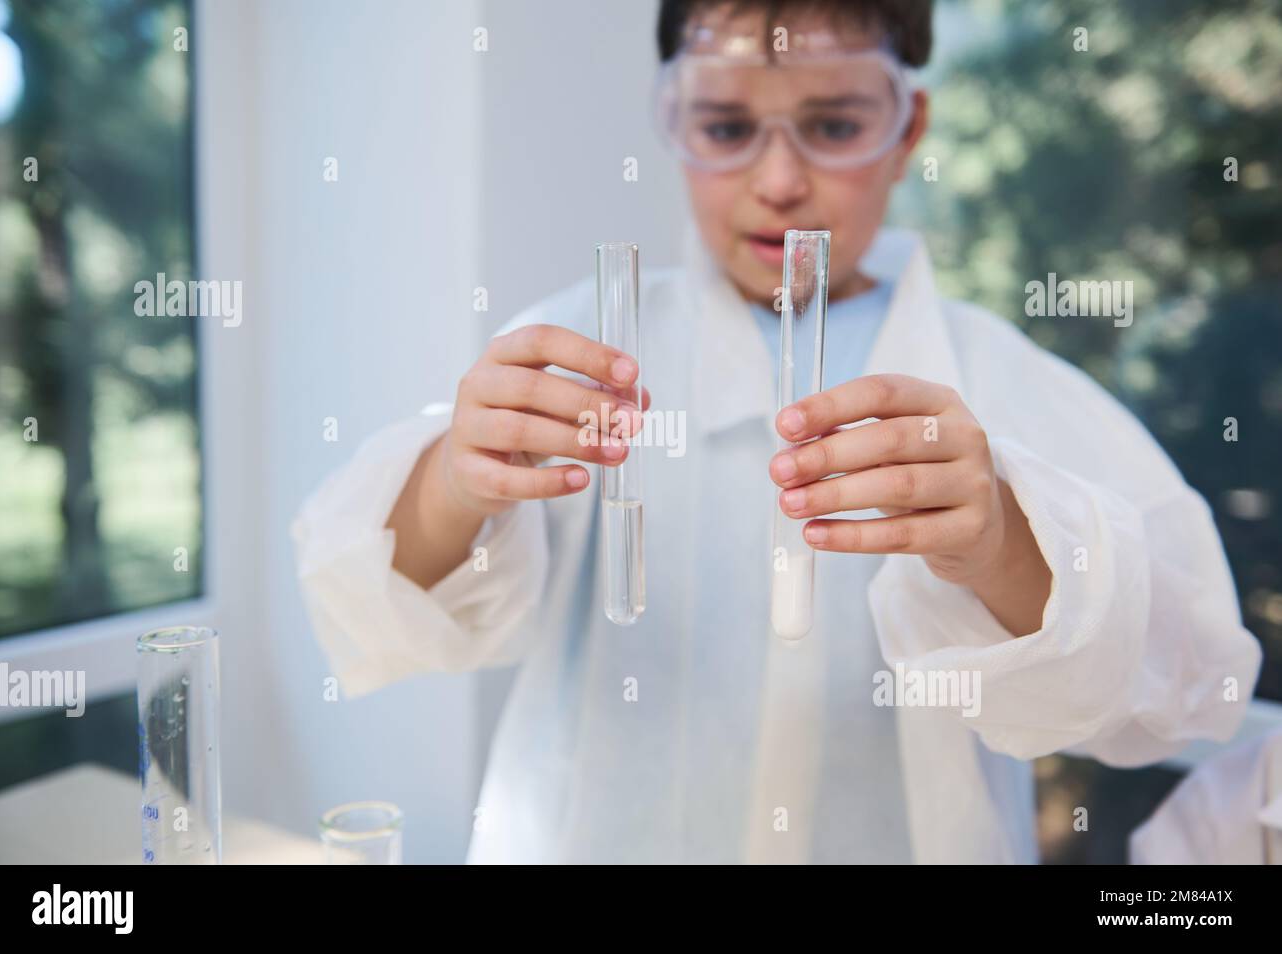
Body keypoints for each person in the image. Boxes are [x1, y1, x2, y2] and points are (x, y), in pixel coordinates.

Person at [291, 0, 1262, 863]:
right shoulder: (576, 349)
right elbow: (379, 608)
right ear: (672, 124)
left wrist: (1001, 538)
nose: (779, 180)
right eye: (725, 125)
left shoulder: (996, 381)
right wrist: (454, 484)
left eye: (835, 124)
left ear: (907, 126)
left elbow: (1185, 683)